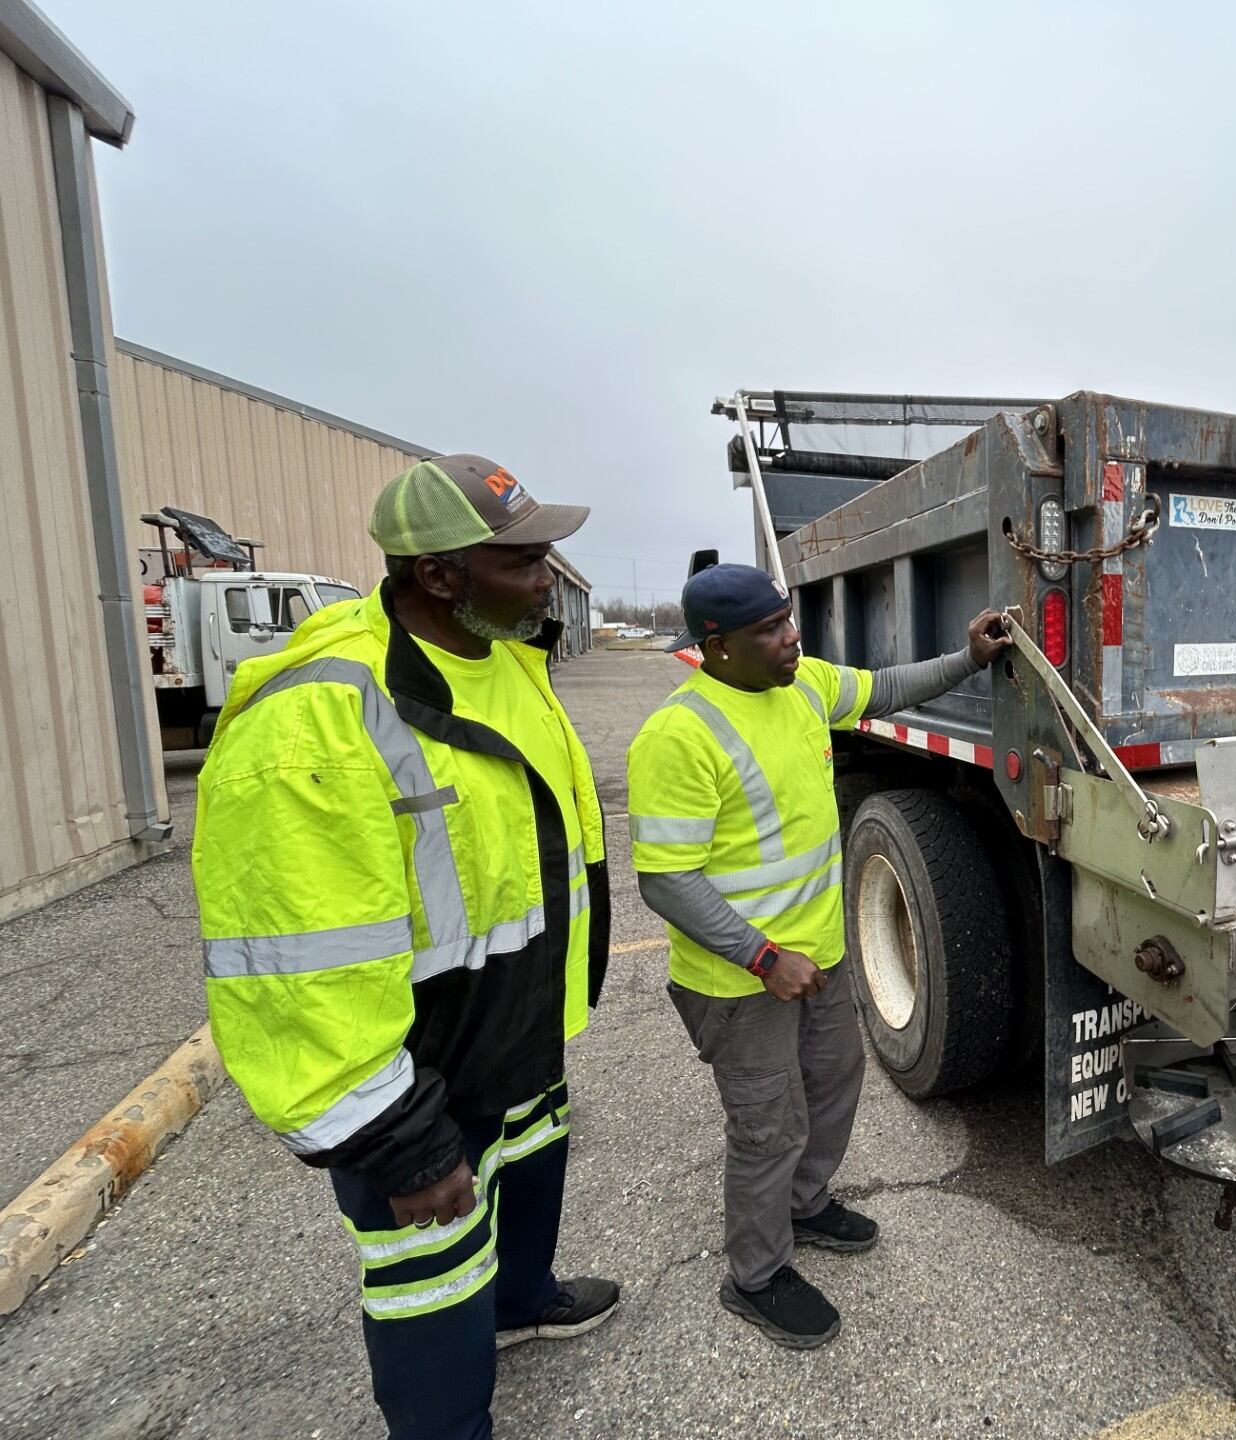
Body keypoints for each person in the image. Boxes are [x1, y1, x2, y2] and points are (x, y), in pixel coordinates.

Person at [194, 455, 617, 1440]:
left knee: (523, 1192)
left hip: (516, 1034)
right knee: (427, 1285)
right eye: (523, 560)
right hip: (417, 1080)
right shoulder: (317, 718)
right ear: (437, 575)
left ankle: (522, 1301)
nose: (548, 576)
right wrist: (397, 1138)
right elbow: (301, 976)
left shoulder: (503, 654)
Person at [627, 563, 1009, 1350]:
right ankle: (756, 1274)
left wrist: (967, 658)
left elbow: (884, 688)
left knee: (834, 1082)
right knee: (768, 1124)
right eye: (769, 630)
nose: (791, 637)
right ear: (715, 645)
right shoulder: (680, 734)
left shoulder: (802, 686)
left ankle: (805, 1203)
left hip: (819, 959)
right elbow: (666, 881)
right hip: (740, 981)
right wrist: (762, 958)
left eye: (789, 620)